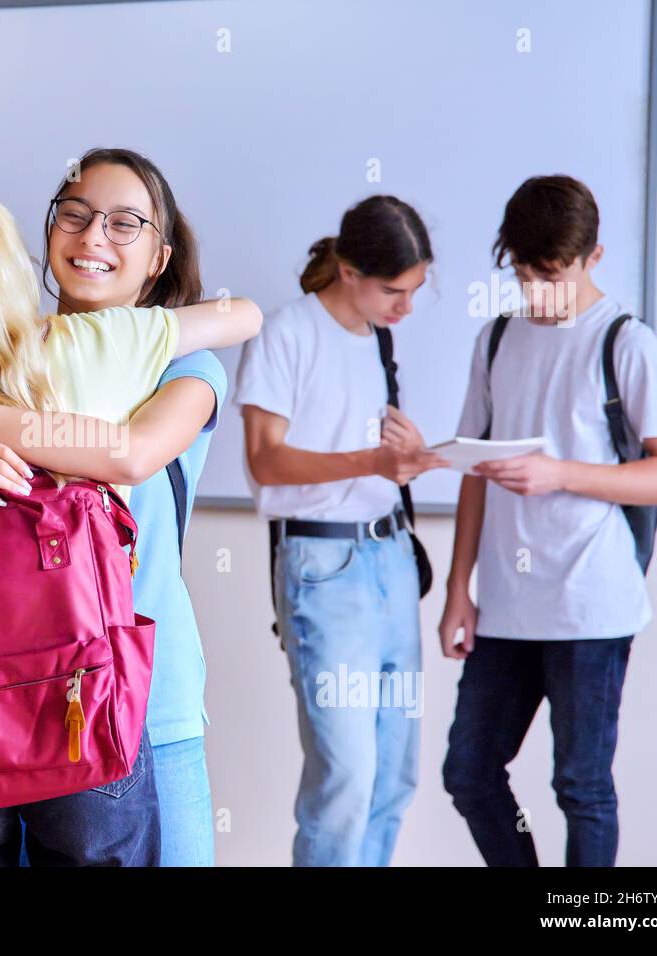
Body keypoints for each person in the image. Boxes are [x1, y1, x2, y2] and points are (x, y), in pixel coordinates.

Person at [0, 169, 259, 866]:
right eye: (75, 214)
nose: (94, 236)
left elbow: (128, 455)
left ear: (161, 256)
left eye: (125, 223)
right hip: (51, 702)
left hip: (83, 704)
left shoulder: (173, 366)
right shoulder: (54, 355)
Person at [440, 175, 657, 867]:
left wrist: (561, 473)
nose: (537, 293)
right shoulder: (495, 340)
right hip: (504, 606)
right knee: (468, 772)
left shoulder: (627, 343)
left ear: (594, 256)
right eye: (524, 274)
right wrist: (458, 588)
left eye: (551, 275)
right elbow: (474, 471)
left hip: (591, 604)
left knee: (581, 786)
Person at [234, 195, 445, 866]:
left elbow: (377, 463)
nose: (405, 307)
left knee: (393, 772)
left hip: (390, 560)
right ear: (349, 270)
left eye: (416, 290)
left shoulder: (382, 340)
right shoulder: (287, 334)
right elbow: (265, 459)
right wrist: (373, 461)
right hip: (323, 568)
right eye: (394, 290)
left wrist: (407, 458)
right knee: (347, 776)